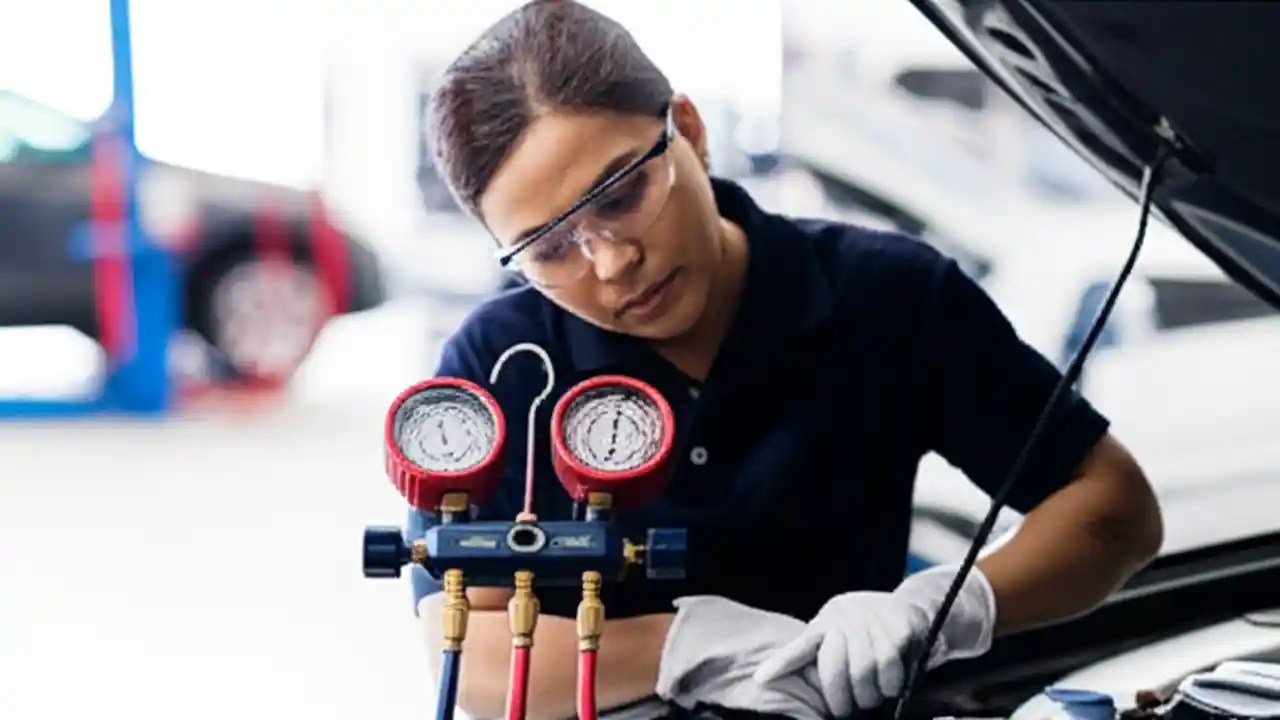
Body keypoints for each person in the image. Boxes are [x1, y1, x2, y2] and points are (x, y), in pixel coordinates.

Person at [410, 1, 1165, 718]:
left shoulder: (889, 299)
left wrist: (942, 607)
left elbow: (1115, 507)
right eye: (548, 246)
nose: (610, 262)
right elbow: (468, 657)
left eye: (619, 192)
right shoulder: (505, 365)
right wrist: (681, 644)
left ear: (689, 130)